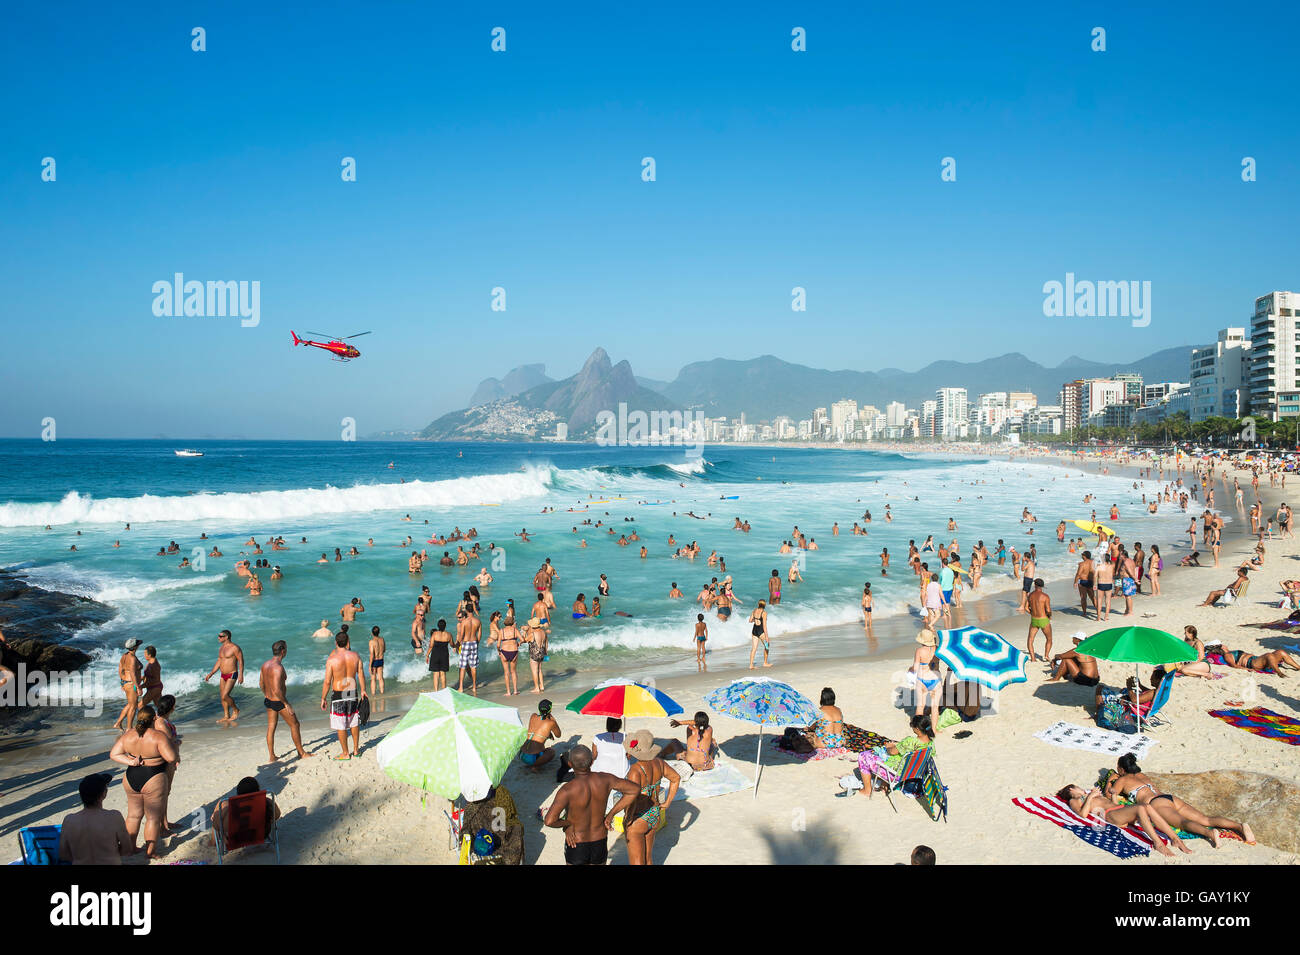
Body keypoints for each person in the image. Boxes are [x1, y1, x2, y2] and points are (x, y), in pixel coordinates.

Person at [1110, 753, 1255, 846]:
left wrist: (1111, 780)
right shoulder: (1141, 775)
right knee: (1206, 819)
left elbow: (1111, 794)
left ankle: (1209, 833)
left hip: (1156, 804)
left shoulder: (1122, 780)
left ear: (1122, 769)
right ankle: (1239, 826)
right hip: (1169, 797)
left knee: (1183, 823)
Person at [543, 745, 640, 865]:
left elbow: (549, 821)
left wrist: (568, 824)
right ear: (592, 762)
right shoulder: (606, 779)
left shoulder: (567, 790)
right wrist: (610, 815)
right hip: (600, 839)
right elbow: (634, 790)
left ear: (570, 764)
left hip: (576, 841)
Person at [108, 706, 178, 858]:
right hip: (153, 776)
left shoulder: (128, 735)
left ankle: (129, 848)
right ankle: (150, 852)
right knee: (153, 817)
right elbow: (171, 758)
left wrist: (131, 761)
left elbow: (113, 754)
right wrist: (175, 745)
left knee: (133, 815)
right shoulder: (158, 736)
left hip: (131, 776)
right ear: (154, 719)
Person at [1055, 783, 1187, 857]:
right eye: (1077, 787)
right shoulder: (1075, 800)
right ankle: (1158, 843)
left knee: (1147, 807)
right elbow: (1083, 814)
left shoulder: (1090, 794)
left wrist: (1114, 795)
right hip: (1112, 815)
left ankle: (1175, 838)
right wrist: (1090, 796)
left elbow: (1111, 803)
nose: (1081, 787)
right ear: (1072, 789)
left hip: (1120, 810)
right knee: (1141, 809)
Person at [616, 729, 681, 866]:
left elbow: (632, 798)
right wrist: (667, 802)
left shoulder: (635, 770)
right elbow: (676, 778)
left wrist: (628, 817)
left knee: (637, 862)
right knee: (648, 859)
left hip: (639, 817)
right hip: (654, 814)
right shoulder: (659, 763)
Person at [59, 773, 132, 864]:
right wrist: (111, 854)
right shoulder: (114, 817)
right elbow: (127, 850)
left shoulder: (69, 820)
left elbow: (63, 854)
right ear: (104, 794)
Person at [855, 714, 934, 798]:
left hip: (898, 775)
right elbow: (908, 750)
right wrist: (898, 745)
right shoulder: (930, 745)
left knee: (863, 756)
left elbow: (892, 752)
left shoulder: (910, 741)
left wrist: (889, 746)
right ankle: (884, 786)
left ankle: (867, 790)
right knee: (891, 757)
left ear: (917, 729)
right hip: (911, 774)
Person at [260, 640, 312, 762]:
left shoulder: (265, 664)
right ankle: (301, 753)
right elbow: (278, 690)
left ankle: (272, 756)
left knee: (271, 726)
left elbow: (261, 683)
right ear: (283, 651)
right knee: (295, 724)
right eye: (286, 649)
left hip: (268, 700)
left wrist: (267, 695)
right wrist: (286, 704)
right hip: (279, 702)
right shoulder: (278, 668)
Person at [321, 630, 367, 760]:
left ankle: (345, 753)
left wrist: (323, 697)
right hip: (352, 692)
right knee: (353, 721)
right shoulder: (355, 656)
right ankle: (356, 750)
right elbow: (361, 674)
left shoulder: (331, 659)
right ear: (347, 642)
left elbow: (327, 681)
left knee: (340, 724)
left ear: (336, 643)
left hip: (338, 694)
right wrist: (363, 690)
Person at [210, 776, 282, 849]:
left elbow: (216, 826)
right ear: (257, 790)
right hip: (262, 835)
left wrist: (216, 817)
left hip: (236, 839)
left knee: (218, 815)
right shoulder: (267, 802)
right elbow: (277, 816)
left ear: (238, 792)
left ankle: (213, 843)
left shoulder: (227, 806)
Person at [460, 784, 524, 865]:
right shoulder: (503, 797)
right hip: (503, 849)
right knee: (517, 828)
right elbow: (513, 822)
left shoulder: (472, 805)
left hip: (480, 848)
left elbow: (465, 832)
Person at [202, 629, 244, 723]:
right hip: (223, 675)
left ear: (227, 637)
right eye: (218, 636)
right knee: (222, 697)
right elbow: (219, 661)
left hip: (232, 674)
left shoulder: (235, 648)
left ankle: (236, 710)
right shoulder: (221, 648)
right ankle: (226, 716)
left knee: (225, 695)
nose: (218, 638)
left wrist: (241, 674)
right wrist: (211, 673)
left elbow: (241, 661)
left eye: (220, 636)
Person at [911, 627, 942, 728]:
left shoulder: (919, 650)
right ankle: (933, 730)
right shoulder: (938, 649)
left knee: (920, 705)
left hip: (922, 680)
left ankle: (918, 728)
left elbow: (915, 668)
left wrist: (910, 668)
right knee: (935, 707)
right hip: (936, 680)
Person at [112, 639, 143, 732]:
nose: (138, 646)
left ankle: (118, 723)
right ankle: (129, 728)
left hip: (126, 683)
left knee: (130, 705)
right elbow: (133, 673)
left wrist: (122, 682)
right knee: (133, 707)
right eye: (137, 644)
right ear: (135, 647)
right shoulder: (133, 658)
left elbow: (120, 669)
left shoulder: (124, 656)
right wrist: (137, 687)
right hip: (131, 684)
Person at [519, 699, 560, 771]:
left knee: (537, 743)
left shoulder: (533, 716)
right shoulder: (551, 722)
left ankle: (532, 763)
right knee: (551, 752)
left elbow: (537, 728)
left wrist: (547, 733)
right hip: (532, 758)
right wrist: (553, 719)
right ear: (550, 710)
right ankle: (534, 766)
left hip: (521, 754)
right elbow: (558, 735)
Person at [487, 611, 520, 695]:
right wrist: (512, 630)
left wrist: (499, 651)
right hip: (493, 642)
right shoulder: (494, 624)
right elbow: (522, 639)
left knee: (506, 672)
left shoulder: (499, 626)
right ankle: (515, 690)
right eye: (499, 616)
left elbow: (499, 642)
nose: (500, 618)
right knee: (513, 671)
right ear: (496, 616)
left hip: (502, 648)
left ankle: (508, 692)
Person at [1025, 578, 1053, 663]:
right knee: (1049, 639)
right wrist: (1049, 616)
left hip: (1034, 619)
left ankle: (1033, 658)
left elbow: (1026, 608)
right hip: (1043, 619)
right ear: (1043, 586)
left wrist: (1032, 613)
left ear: (1035, 585)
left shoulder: (1030, 595)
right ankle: (1046, 656)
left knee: (1030, 640)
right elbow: (1048, 610)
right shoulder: (1045, 596)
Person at [425, 618, 452, 691]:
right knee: (443, 674)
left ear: (438, 626)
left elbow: (430, 646)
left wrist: (427, 655)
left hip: (435, 655)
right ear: (445, 626)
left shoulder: (434, 634)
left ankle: (436, 691)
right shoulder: (448, 635)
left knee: (436, 674)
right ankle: (443, 691)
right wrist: (456, 646)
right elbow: (452, 645)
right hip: (444, 655)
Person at [748, 599, 771, 669]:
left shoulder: (754, 610)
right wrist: (767, 637)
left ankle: (751, 665)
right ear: (764, 605)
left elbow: (750, 620)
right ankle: (765, 663)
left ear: (758, 604)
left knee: (754, 648)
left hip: (754, 630)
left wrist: (755, 620)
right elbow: (764, 626)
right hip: (761, 631)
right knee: (767, 646)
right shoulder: (764, 613)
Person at [140, 645, 163, 709]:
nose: (144, 655)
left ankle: (144, 718)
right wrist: (142, 678)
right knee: (159, 708)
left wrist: (141, 686)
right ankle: (161, 718)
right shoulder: (153, 661)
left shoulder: (152, 665)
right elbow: (151, 676)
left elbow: (152, 680)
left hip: (154, 688)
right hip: (156, 686)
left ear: (149, 655)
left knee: (140, 706)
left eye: (145, 653)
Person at [367, 625, 386, 694]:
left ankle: (373, 694)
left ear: (372, 633)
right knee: (381, 678)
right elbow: (384, 650)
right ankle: (382, 692)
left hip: (374, 661)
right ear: (379, 632)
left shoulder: (371, 642)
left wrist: (369, 666)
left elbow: (372, 654)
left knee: (373, 679)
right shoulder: (382, 639)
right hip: (381, 660)